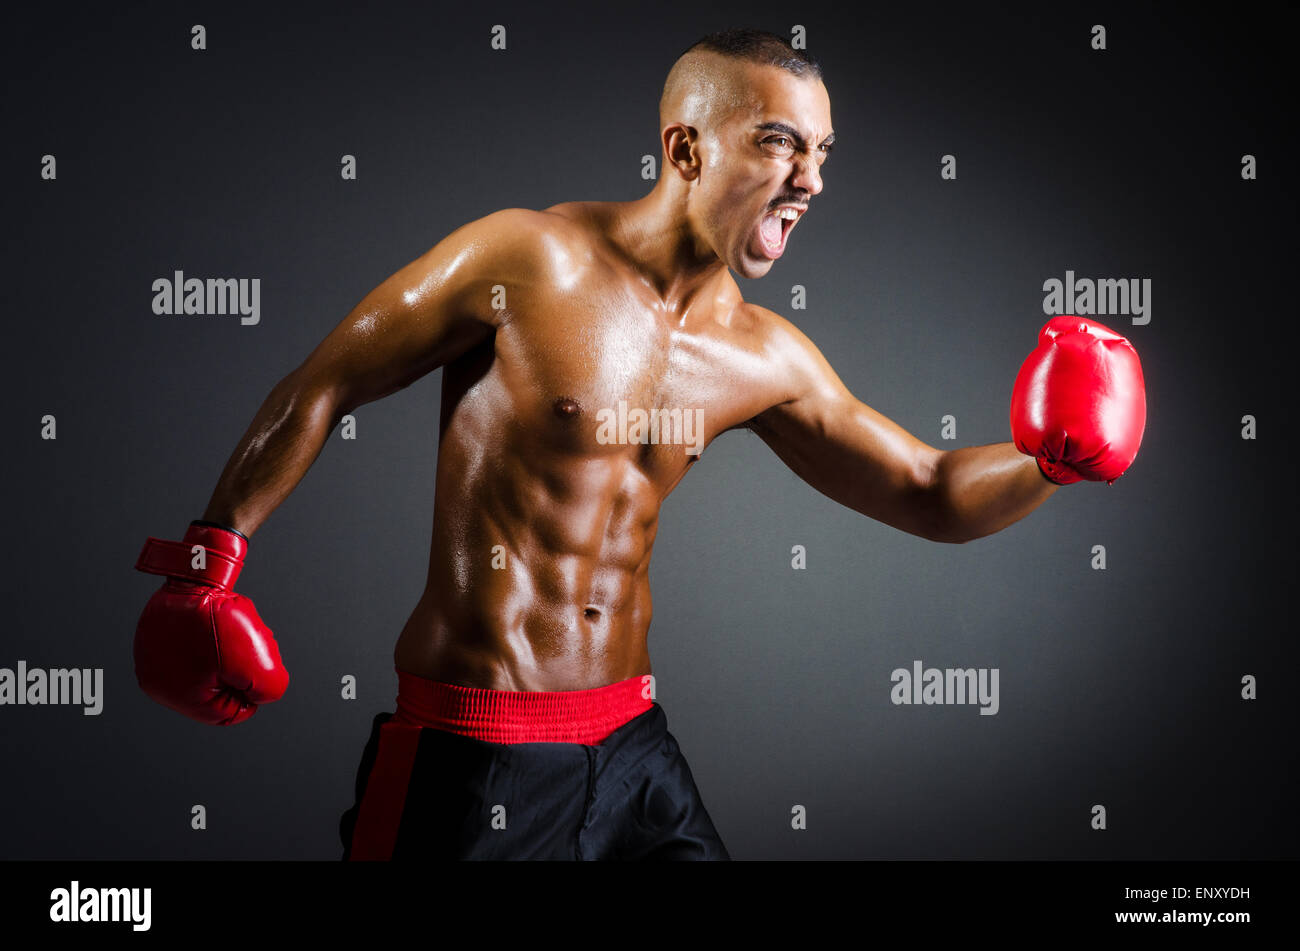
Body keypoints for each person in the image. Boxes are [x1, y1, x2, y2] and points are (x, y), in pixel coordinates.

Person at [133, 29, 1145, 861]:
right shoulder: (528, 259)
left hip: (631, 752)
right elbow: (325, 383)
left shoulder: (764, 354)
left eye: (824, 153)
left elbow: (926, 489)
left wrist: (1051, 459)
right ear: (687, 147)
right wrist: (202, 569)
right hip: (472, 753)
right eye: (780, 144)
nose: (811, 179)